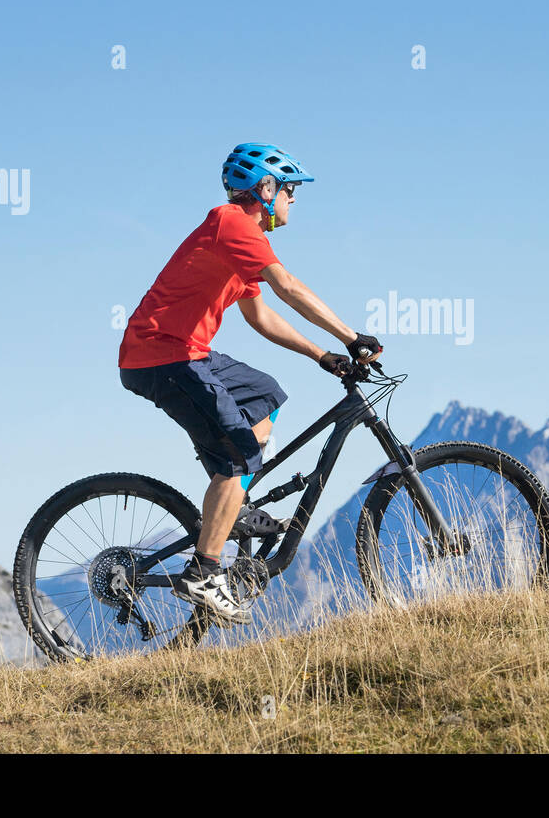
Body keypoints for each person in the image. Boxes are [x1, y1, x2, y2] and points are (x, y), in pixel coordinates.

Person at [117, 143, 382, 625]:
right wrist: (352, 337)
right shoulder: (232, 223)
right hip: (162, 355)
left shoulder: (240, 236)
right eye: (290, 190)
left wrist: (323, 356)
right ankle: (204, 571)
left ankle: (231, 504)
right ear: (266, 190)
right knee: (239, 454)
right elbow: (288, 288)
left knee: (264, 397)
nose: (294, 200)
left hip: (187, 351)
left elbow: (260, 313)